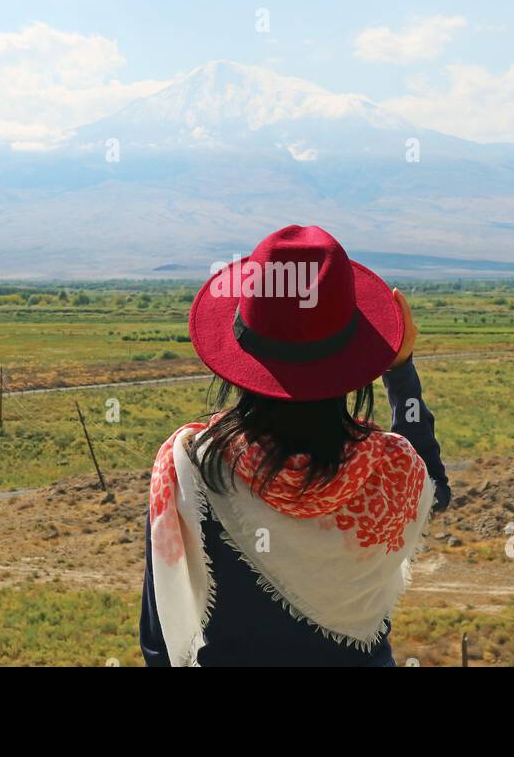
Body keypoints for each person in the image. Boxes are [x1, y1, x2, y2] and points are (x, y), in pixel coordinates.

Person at [140, 224, 450, 666]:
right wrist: (402, 373)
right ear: (355, 354)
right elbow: (432, 488)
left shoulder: (192, 464)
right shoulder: (392, 468)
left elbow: (158, 637)